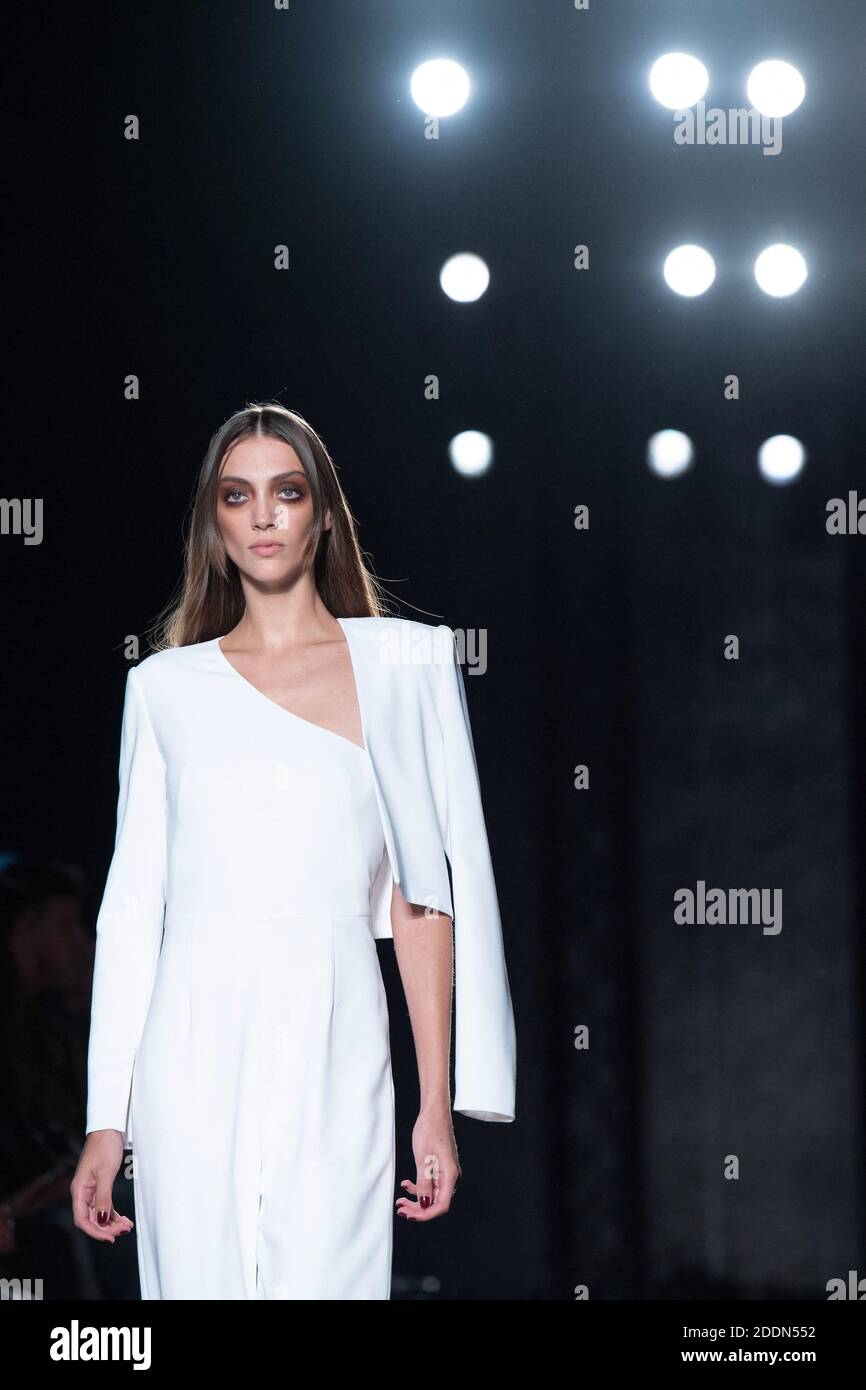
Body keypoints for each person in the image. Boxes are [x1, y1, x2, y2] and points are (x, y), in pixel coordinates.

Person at [70, 402, 516, 1299]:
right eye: (238, 496)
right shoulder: (163, 689)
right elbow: (132, 912)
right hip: (188, 1038)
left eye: (287, 491)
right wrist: (104, 1120)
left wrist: (436, 1106)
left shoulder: (408, 665)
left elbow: (423, 899)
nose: (264, 515)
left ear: (322, 513)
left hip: (337, 1025)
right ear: (215, 519)